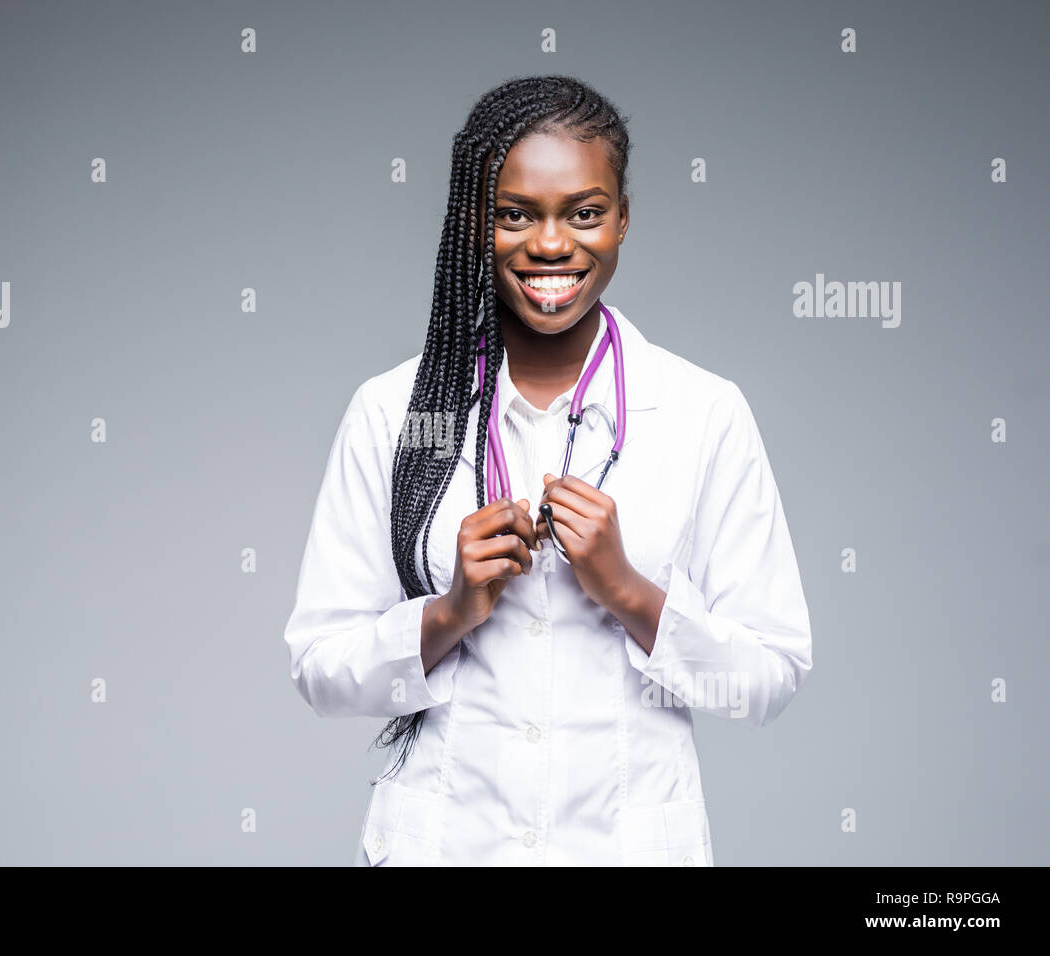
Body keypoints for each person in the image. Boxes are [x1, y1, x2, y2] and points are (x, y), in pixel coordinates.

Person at [283, 75, 813, 866]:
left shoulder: (705, 412)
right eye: (514, 214)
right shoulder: (392, 412)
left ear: (623, 219)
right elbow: (322, 672)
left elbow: (770, 675)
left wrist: (630, 592)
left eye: (585, 212)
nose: (552, 244)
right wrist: (451, 611)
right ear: (473, 224)